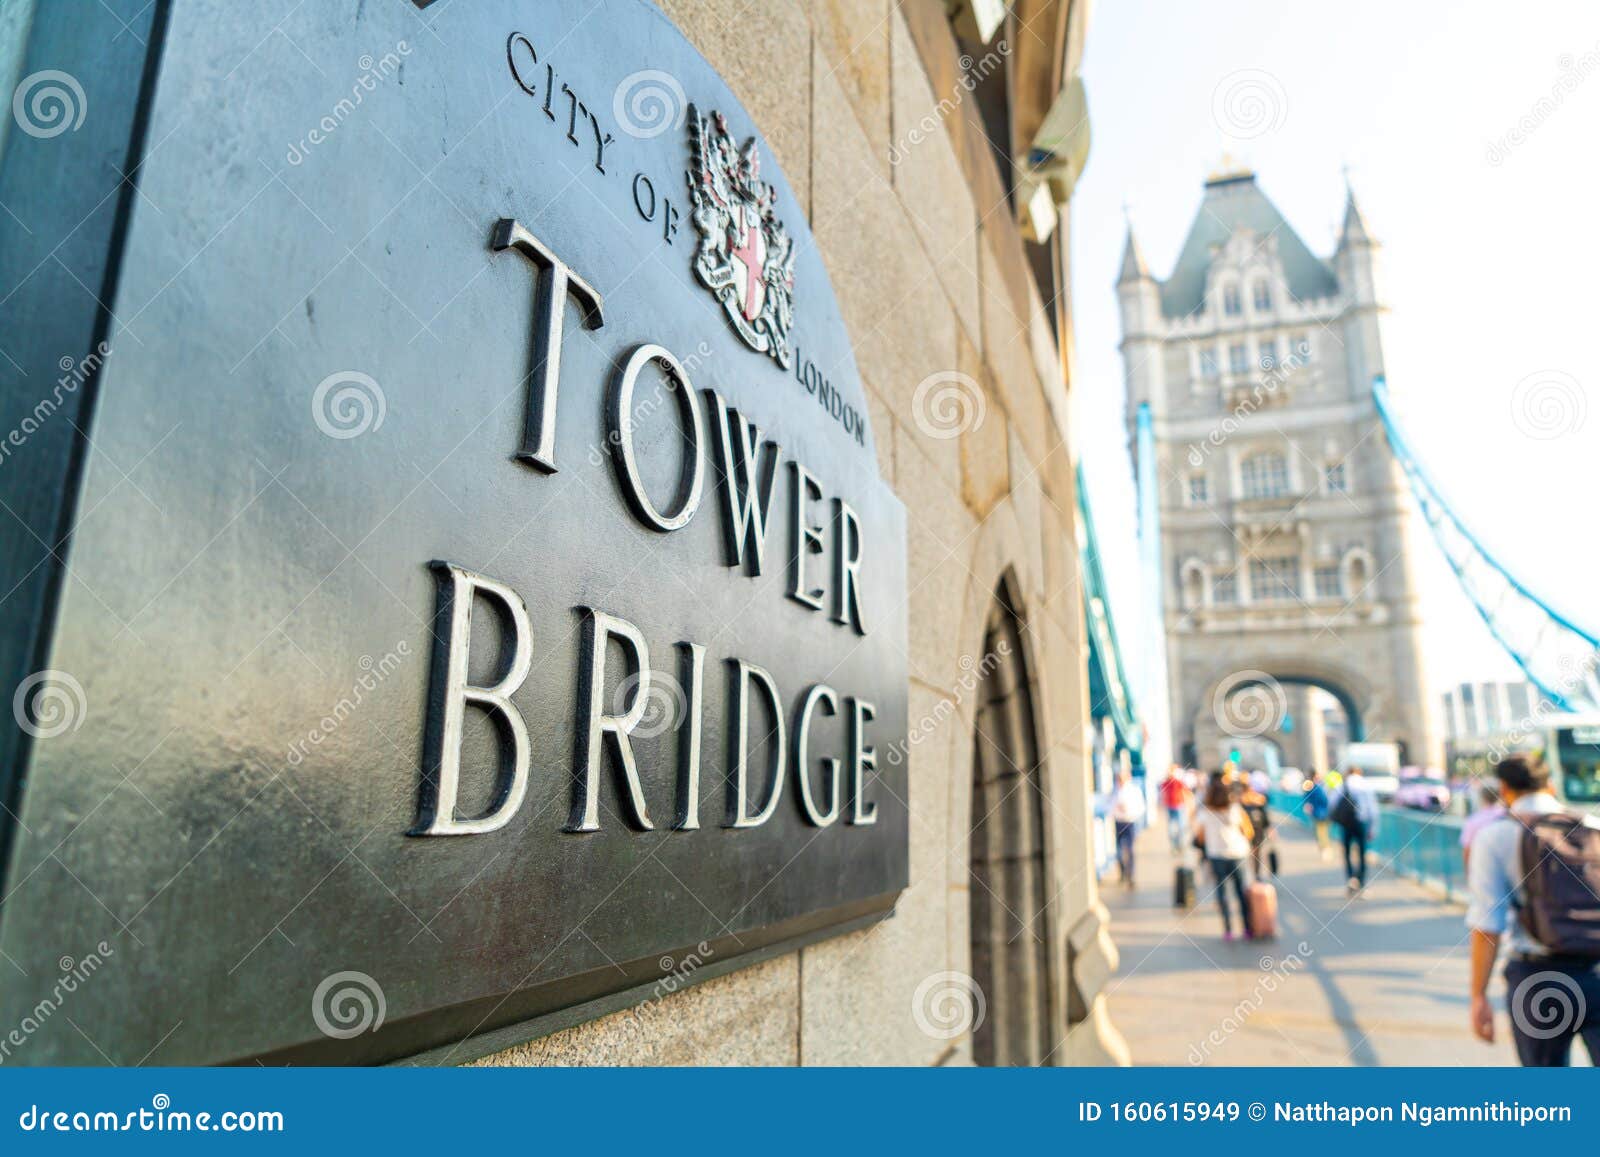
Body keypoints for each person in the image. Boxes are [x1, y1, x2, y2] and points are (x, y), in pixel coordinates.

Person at [1466, 754, 1600, 1065]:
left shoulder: (1495, 836)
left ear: (1505, 789)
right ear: (1549, 785)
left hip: (1538, 978)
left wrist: (1478, 995)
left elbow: (1488, 925)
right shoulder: (1592, 825)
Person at [1197, 774, 1255, 941]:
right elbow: (1248, 832)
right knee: (1240, 891)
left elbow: (1200, 836)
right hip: (1237, 853)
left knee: (1222, 892)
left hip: (1216, 854)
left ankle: (1228, 930)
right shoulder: (1235, 809)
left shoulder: (1206, 812)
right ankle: (1247, 928)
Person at [1330, 766, 1378, 895]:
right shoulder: (1365, 785)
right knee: (1362, 853)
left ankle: (1351, 879)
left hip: (1345, 823)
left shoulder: (1342, 785)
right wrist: (1372, 828)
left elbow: (1332, 804)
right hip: (1361, 822)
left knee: (1347, 852)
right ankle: (1361, 882)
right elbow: (1373, 810)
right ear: (1359, 772)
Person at [1458, 781, 1505, 871]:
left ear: (1482, 797)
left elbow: (1467, 850)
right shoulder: (1507, 815)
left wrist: (1468, 873)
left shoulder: (1473, 820)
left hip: (1481, 869)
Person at [1110, 769, 1146, 888]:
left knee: (1130, 849)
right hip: (1119, 822)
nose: (1120, 781)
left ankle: (1131, 876)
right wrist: (1116, 810)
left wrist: (1129, 811)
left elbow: (1141, 807)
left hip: (1129, 822)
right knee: (1119, 850)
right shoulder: (1115, 791)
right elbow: (1109, 805)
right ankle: (1123, 872)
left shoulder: (1134, 790)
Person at [1238, 779, 1273, 880]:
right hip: (1254, 829)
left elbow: (1264, 815)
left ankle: (1254, 875)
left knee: (1254, 853)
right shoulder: (1257, 799)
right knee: (1256, 853)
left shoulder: (1242, 801)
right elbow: (1264, 815)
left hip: (1252, 830)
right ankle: (1254, 875)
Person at [1159, 765, 1191, 852]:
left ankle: (1180, 844)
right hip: (1170, 806)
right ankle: (1174, 845)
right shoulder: (1166, 782)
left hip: (1179, 805)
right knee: (1171, 827)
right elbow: (1162, 793)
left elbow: (1186, 791)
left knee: (1180, 826)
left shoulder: (1178, 782)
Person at [1302, 770, 1332, 860]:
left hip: (1317, 813)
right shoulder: (1320, 787)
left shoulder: (1311, 787)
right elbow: (1325, 800)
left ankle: (1324, 850)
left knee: (1320, 832)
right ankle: (1326, 849)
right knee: (1323, 832)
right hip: (1324, 813)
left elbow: (1305, 799)